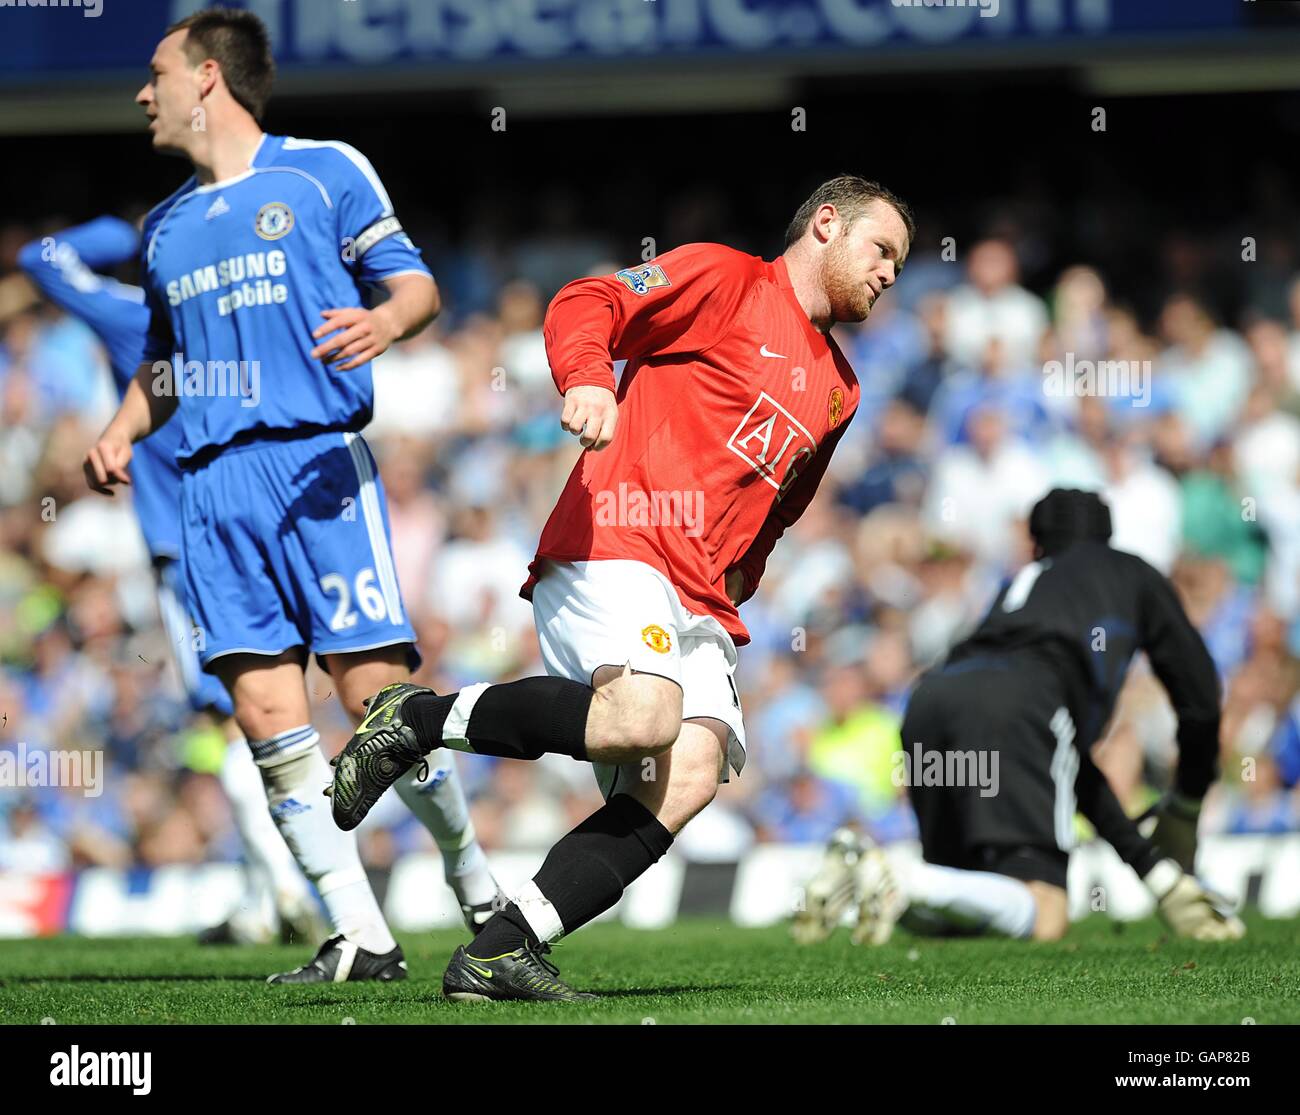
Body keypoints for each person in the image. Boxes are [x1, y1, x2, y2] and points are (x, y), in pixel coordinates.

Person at [329, 174, 914, 1000]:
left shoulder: (840, 388)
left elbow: (784, 505)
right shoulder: (725, 278)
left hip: (701, 593)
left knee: (690, 773)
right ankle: (416, 717)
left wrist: (746, 567)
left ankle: (503, 947)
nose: (890, 272)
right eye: (881, 249)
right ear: (826, 224)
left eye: (899, 261)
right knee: (643, 719)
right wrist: (589, 378)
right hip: (620, 534)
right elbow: (588, 298)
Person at [81, 8, 498, 983]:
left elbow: (416, 286)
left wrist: (386, 320)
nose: (143, 93)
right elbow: (165, 364)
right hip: (211, 487)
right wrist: (119, 426)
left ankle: (477, 890)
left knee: (377, 700)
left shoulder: (323, 171)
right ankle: (361, 936)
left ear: (208, 80)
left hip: (314, 465)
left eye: (157, 73)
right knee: (266, 714)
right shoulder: (166, 225)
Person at [20, 216, 324, 947]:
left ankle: (290, 890)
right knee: (276, 713)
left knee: (228, 720)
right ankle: (264, 894)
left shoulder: (135, 317)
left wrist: (125, 233)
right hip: (270, 535)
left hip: (188, 548)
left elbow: (43, 258)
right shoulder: (250, 320)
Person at [799, 489, 1245, 945]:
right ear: (1107, 537)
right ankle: (905, 876)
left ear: (1036, 544)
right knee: (1045, 910)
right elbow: (1200, 697)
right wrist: (1188, 803)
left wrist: (1155, 874)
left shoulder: (1019, 586)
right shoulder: (1131, 574)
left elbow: (1068, 764)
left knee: (963, 906)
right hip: (1017, 705)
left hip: (931, 701)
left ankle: (871, 873)